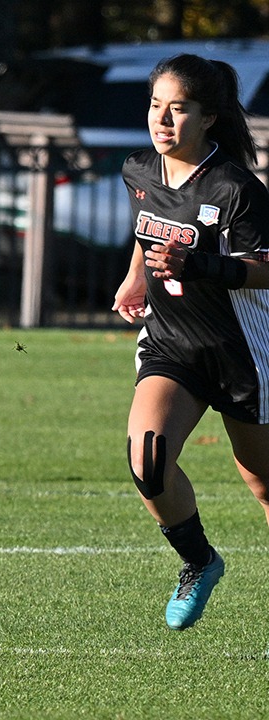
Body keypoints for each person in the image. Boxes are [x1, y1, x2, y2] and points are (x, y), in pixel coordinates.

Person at [111, 53, 269, 632]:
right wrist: (136, 277)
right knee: (148, 459)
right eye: (156, 105)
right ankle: (199, 561)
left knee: (263, 483)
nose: (162, 119)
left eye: (178, 109)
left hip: (240, 351)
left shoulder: (235, 188)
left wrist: (201, 265)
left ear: (208, 118)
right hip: (171, 343)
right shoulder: (138, 170)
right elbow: (147, 228)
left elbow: (265, 269)